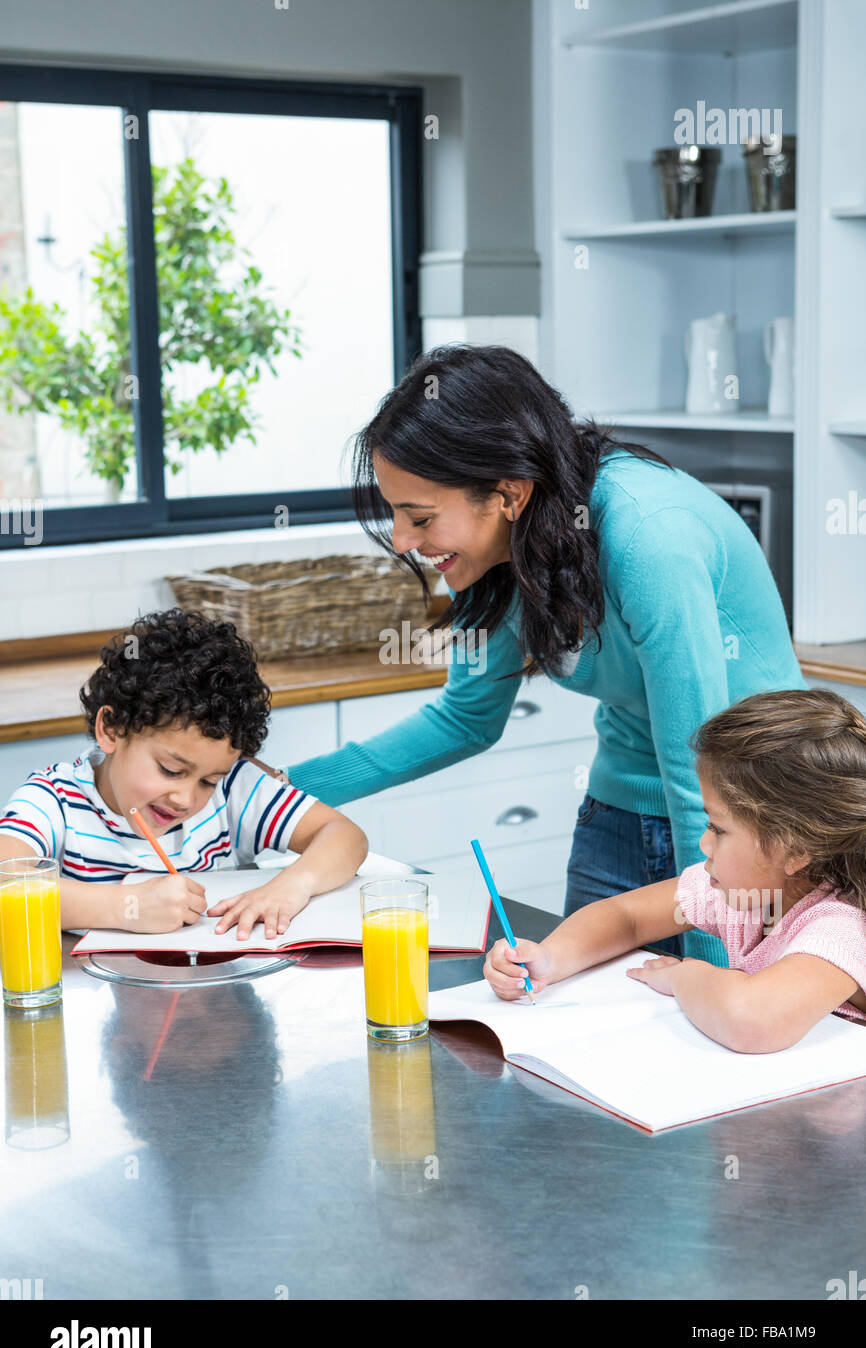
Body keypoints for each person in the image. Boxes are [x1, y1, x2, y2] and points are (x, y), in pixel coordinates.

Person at [288, 343, 807, 963]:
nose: (401, 540)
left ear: (509, 492)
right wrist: (272, 796)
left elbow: (695, 763)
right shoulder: (505, 550)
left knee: (721, 1041)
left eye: (419, 517)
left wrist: (711, 966)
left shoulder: (650, 538)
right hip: (617, 819)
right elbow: (465, 719)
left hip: (749, 830)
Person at [483, 689, 866, 1052]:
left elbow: (750, 1019)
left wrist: (681, 976)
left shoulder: (840, 928)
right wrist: (550, 959)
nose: (704, 844)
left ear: (795, 850)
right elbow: (626, 916)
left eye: (718, 828)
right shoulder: (746, 890)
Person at [0, 609, 368, 941]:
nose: (186, 799)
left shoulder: (234, 790)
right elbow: (5, 886)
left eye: (207, 781)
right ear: (111, 730)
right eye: (171, 770)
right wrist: (123, 905)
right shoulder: (54, 800)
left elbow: (344, 836)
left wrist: (291, 885)